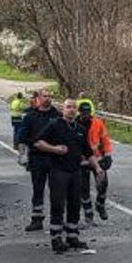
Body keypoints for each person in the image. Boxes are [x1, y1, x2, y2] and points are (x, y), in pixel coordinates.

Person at [33, 98, 103, 252]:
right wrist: (55, 149)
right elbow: (38, 142)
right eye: (68, 107)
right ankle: (56, 238)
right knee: (58, 204)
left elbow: (88, 152)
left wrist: (97, 168)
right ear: (62, 109)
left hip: (75, 171)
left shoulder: (80, 128)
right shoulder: (54, 125)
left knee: (75, 205)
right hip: (58, 171)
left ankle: (72, 236)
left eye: (73, 108)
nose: (71, 110)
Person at [16, 89, 60, 231]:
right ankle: (37, 219)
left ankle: (58, 218)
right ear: (38, 99)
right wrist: (22, 155)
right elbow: (22, 137)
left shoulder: (57, 116)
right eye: (44, 96)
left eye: (49, 96)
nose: (47, 99)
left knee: (57, 189)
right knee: (38, 189)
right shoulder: (30, 117)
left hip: (55, 158)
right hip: (37, 158)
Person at [76, 99, 113, 224]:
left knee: (103, 184)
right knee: (83, 188)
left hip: (97, 159)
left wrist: (107, 155)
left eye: (87, 113)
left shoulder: (97, 123)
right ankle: (88, 213)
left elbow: (105, 139)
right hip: (81, 161)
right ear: (79, 113)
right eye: (83, 113)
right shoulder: (74, 125)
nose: (85, 115)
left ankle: (100, 204)